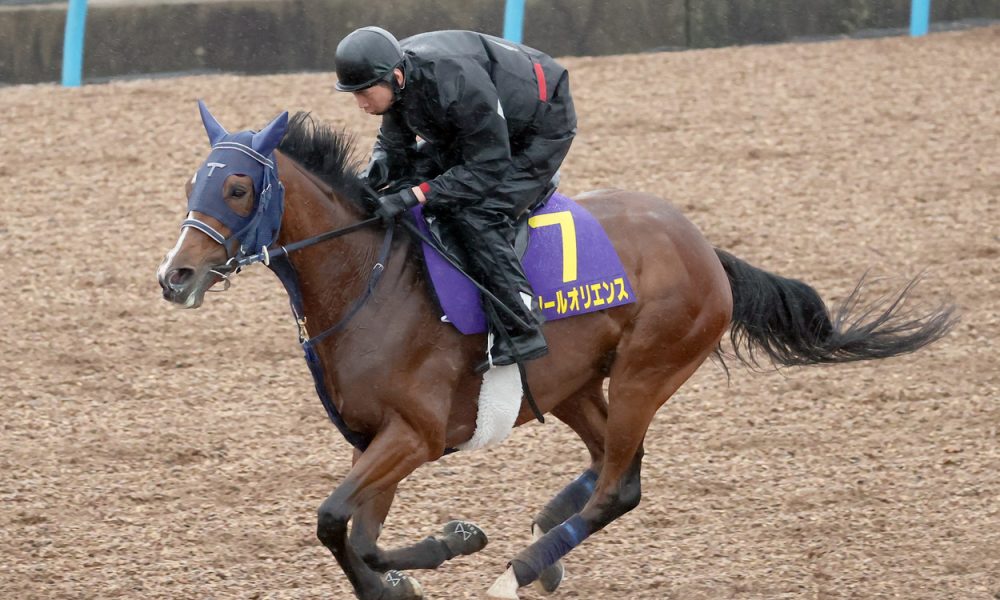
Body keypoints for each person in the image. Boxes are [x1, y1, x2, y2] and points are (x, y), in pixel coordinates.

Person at [334, 26, 577, 371]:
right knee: (411, 182)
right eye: (354, 94)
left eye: (364, 93)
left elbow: (489, 165)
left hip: (538, 126)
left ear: (396, 77)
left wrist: (412, 196)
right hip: (483, 125)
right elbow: (393, 149)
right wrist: (368, 181)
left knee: (477, 212)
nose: (360, 104)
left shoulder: (454, 81)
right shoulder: (395, 75)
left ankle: (522, 323)